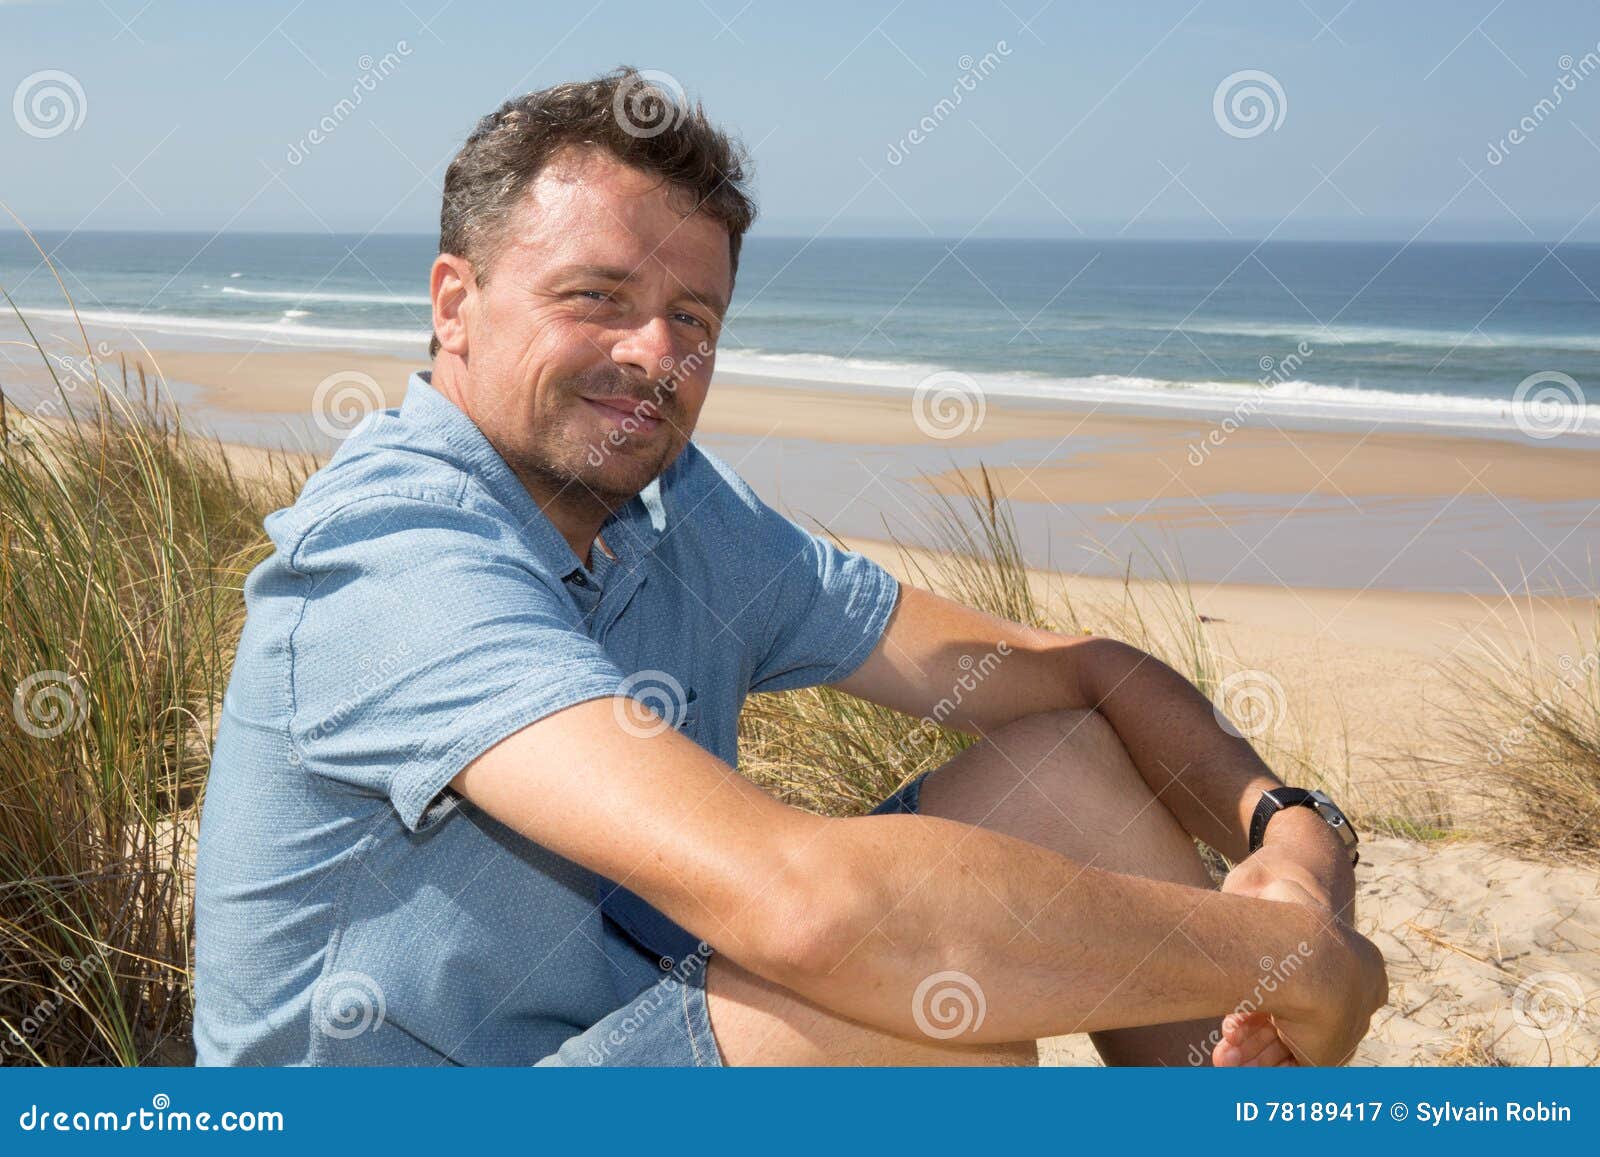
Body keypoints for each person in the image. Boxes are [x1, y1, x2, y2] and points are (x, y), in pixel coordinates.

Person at [193, 67, 1385, 1067]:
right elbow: (809, 910)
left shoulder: (676, 513)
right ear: (456, 302)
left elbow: (1080, 674)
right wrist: (1290, 958)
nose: (655, 354)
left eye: (693, 318)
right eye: (596, 297)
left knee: (1063, 773)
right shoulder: (393, 561)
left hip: (623, 1041)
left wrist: (1285, 831)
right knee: (908, 1005)